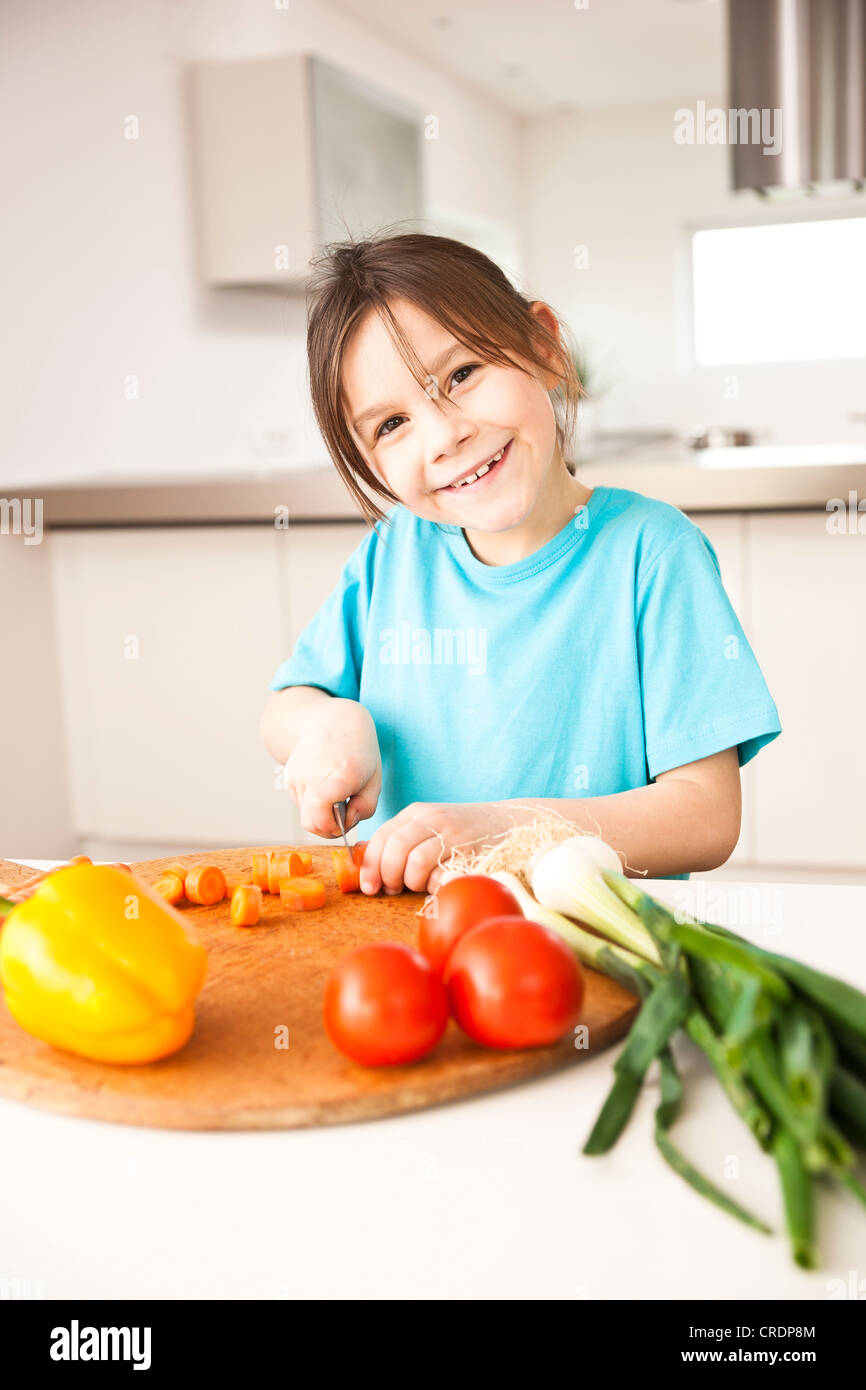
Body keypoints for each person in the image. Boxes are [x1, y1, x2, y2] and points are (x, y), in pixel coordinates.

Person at [260, 232, 781, 895]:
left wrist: (504, 834)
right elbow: (284, 707)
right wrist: (332, 722)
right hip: (407, 962)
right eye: (391, 424)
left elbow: (705, 816)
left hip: (585, 959)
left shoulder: (652, 554)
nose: (446, 436)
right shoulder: (393, 555)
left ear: (543, 346)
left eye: (461, 375)